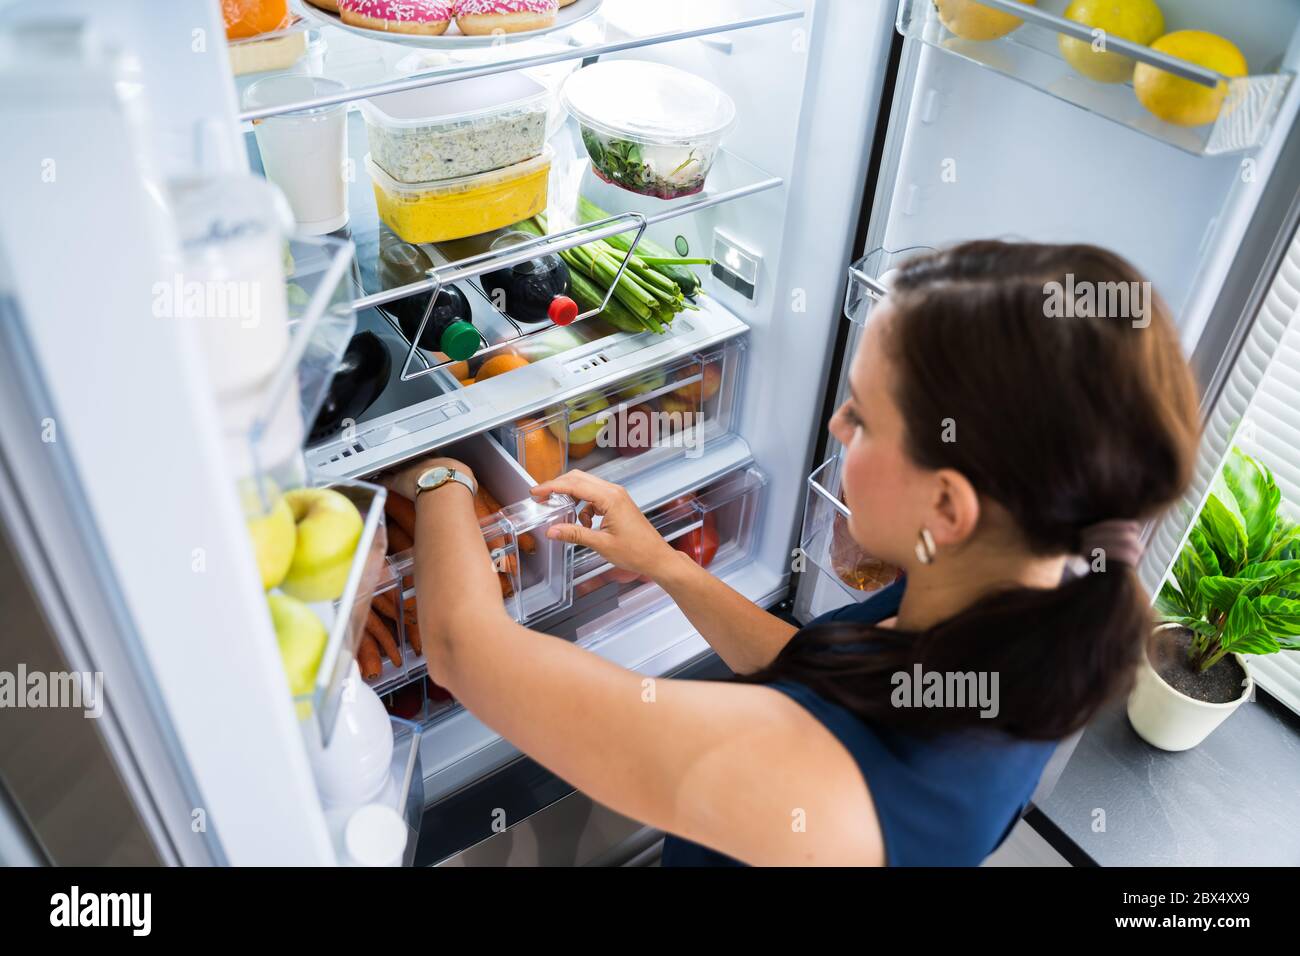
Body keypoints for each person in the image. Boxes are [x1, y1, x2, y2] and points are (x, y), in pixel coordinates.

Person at [383, 241, 1202, 866]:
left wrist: (440, 459)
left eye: (865, 417)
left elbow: (460, 647)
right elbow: (825, 670)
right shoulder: (1035, 612)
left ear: (949, 505)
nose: (838, 426)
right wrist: (670, 566)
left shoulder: (803, 780)